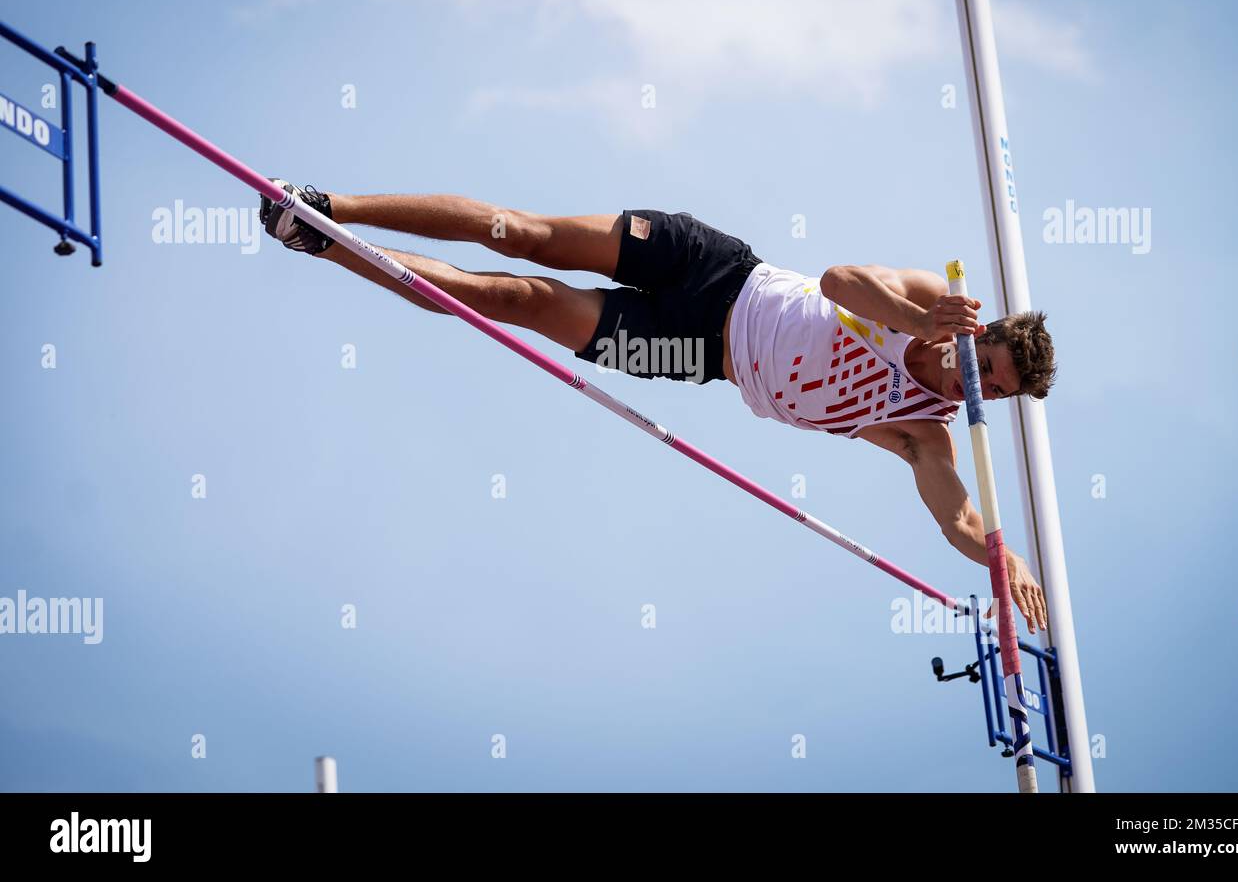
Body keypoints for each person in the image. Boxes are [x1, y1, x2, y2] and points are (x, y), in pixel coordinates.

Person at [261, 184, 1054, 630]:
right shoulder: (927, 300)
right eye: (982, 368)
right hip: (716, 270)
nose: (971, 388)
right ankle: (337, 203)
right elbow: (841, 279)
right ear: (977, 335)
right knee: (525, 236)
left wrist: (1000, 555)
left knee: (511, 301)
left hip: (696, 356)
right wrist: (920, 323)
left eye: (994, 393)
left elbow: (951, 514)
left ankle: (319, 239)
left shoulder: (925, 429)